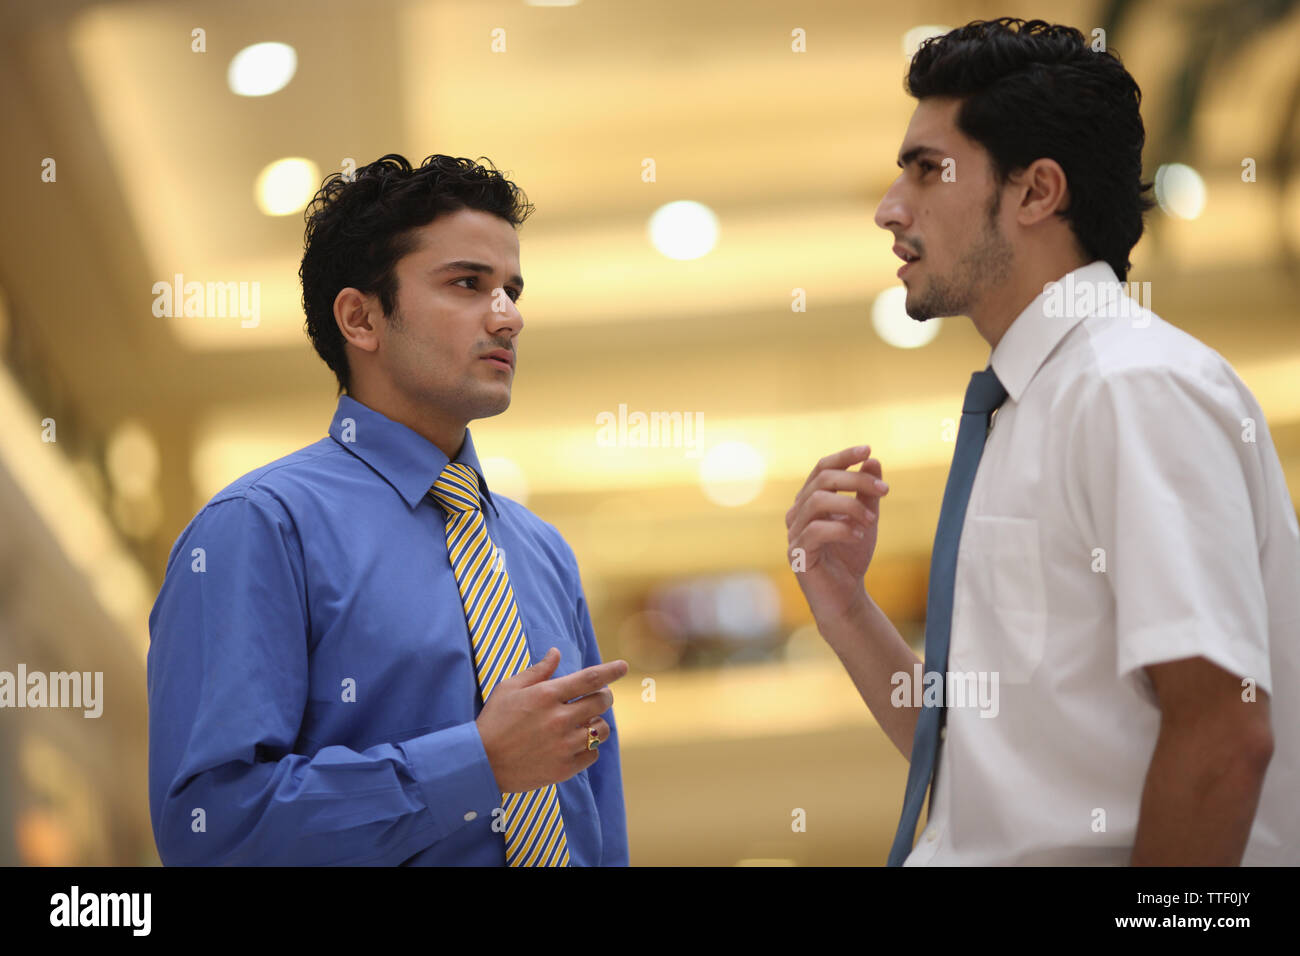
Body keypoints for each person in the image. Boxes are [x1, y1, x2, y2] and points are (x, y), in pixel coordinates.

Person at [786, 18, 1299, 865]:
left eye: (925, 170)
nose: (889, 208)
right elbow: (983, 770)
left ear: (1035, 193)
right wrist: (846, 611)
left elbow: (1223, 732)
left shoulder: (1132, 390)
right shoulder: (1032, 404)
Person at [148, 154, 629, 866]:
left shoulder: (543, 552)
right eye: (468, 283)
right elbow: (212, 831)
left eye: (511, 289)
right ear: (361, 318)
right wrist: (478, 764)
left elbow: (597, 818)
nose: (508, 316)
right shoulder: (259, 528)